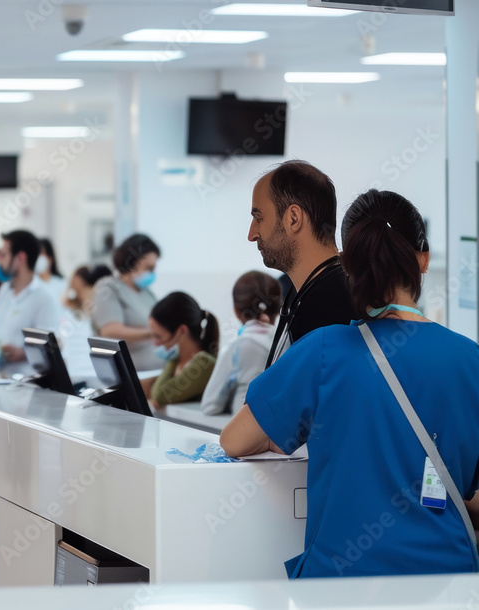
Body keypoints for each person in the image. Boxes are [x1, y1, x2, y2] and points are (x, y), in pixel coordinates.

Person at [222, 189, 479, 579]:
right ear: (423, 260)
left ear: (347, 263)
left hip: (344, 582)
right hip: (449, 582)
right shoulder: (469, 359)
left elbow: (235, 439)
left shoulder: (323, 351)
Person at [248, 160, 356, 368]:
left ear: (294, 218)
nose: (251, 235)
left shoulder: (331, 301)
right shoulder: (306, 294)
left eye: (258, 218)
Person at [200, 271, 281, 416]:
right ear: (277, 309)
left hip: (246, 433)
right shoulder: (290, 343)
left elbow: (210, 405)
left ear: (236, 311)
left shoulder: (237, 347)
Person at [0, 230, 61, 364]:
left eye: (3, 255)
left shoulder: (44, 297)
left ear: (20, 258)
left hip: (26, 379)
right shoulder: (4, 290)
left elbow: (55, 345)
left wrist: (22, 353)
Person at [90, 233, 165, 371]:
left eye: (154, 268)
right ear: (132, 262)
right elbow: (110, 331)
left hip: (152, 363)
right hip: (124, 369)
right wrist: (154, 333)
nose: (152, 273)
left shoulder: (147, 293)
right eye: (149, 268)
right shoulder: (108, 288)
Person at [146, 292, 219, 407]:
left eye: (158, 336)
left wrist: (173, 358)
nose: (155, 343)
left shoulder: (204, 363)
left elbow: (160, 395)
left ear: (182, 331)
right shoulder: (181, 362)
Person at [36, 238, 67, 303]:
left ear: (50, 258)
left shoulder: (61, 283)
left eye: (42, 253)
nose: (39, 258)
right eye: (36, 254)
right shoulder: (31, 284)